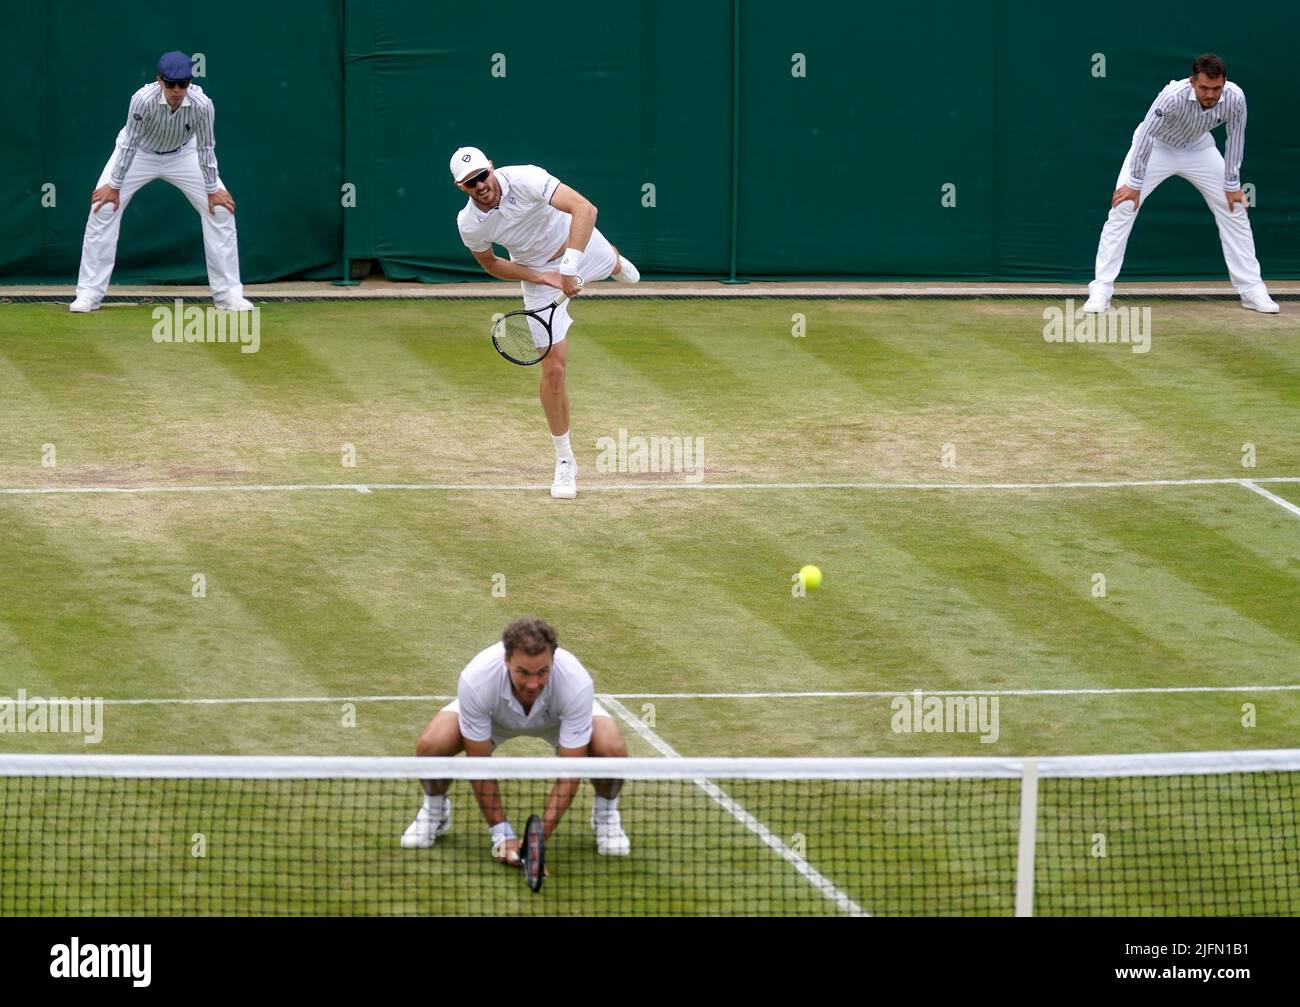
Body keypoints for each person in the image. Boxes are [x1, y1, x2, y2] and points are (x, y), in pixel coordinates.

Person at [451, 147, 641, 498]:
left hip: (577, 245)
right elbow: (492, 264)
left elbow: (586, 209)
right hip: (537, 272)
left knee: (616, 267)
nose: (480, 185)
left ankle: (612, 262)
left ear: (491, 168)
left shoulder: (525, 177)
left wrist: (568, 268)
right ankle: (566, 460)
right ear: (461, 187)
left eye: (482, 175)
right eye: (470, 182)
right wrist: (546, 279)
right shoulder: (469, 223)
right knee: (553, 370)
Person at [401, 616, 631, 862]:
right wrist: (502, 836)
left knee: (612, 750)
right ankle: (435, 810)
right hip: (495, 718)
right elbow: (479, 764)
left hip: (557, 719)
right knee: (432, 745)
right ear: (506, 660)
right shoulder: (477, 679)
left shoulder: (575, 683)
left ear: (553, 660)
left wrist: (536, 841)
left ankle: (606, 815)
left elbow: (570, 772)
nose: (533, 684)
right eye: (523, 672)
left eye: (543, 672)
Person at [1083, 53, 1279, 314]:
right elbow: (1146, 136)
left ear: (1224, 83)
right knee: (1123, 207)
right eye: (1204, 88)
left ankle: (1252, 289)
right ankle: (1101, 289)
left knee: (1235, 208)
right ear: (1192, 82)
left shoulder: (1235, 98)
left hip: (1199, 148)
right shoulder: (1171, 97)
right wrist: (1136, 183)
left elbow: (1235, 138)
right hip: (1156, 148)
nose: (1210, 95)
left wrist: (1232, 186)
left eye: (1216, 88)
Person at [70, 51, 253, 313]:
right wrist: (115, 184)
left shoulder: (203, 105)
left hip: (184, 155)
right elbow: (129, 143)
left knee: (221, 209)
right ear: (159, 80)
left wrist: (212, 190)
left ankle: (228, 296)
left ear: (190, 82)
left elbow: (206, 148)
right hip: (138, 154)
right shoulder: (141, 100)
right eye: (170, 84)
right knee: (104, 207)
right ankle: (88, 294)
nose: (177, 90)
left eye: (183, 84)